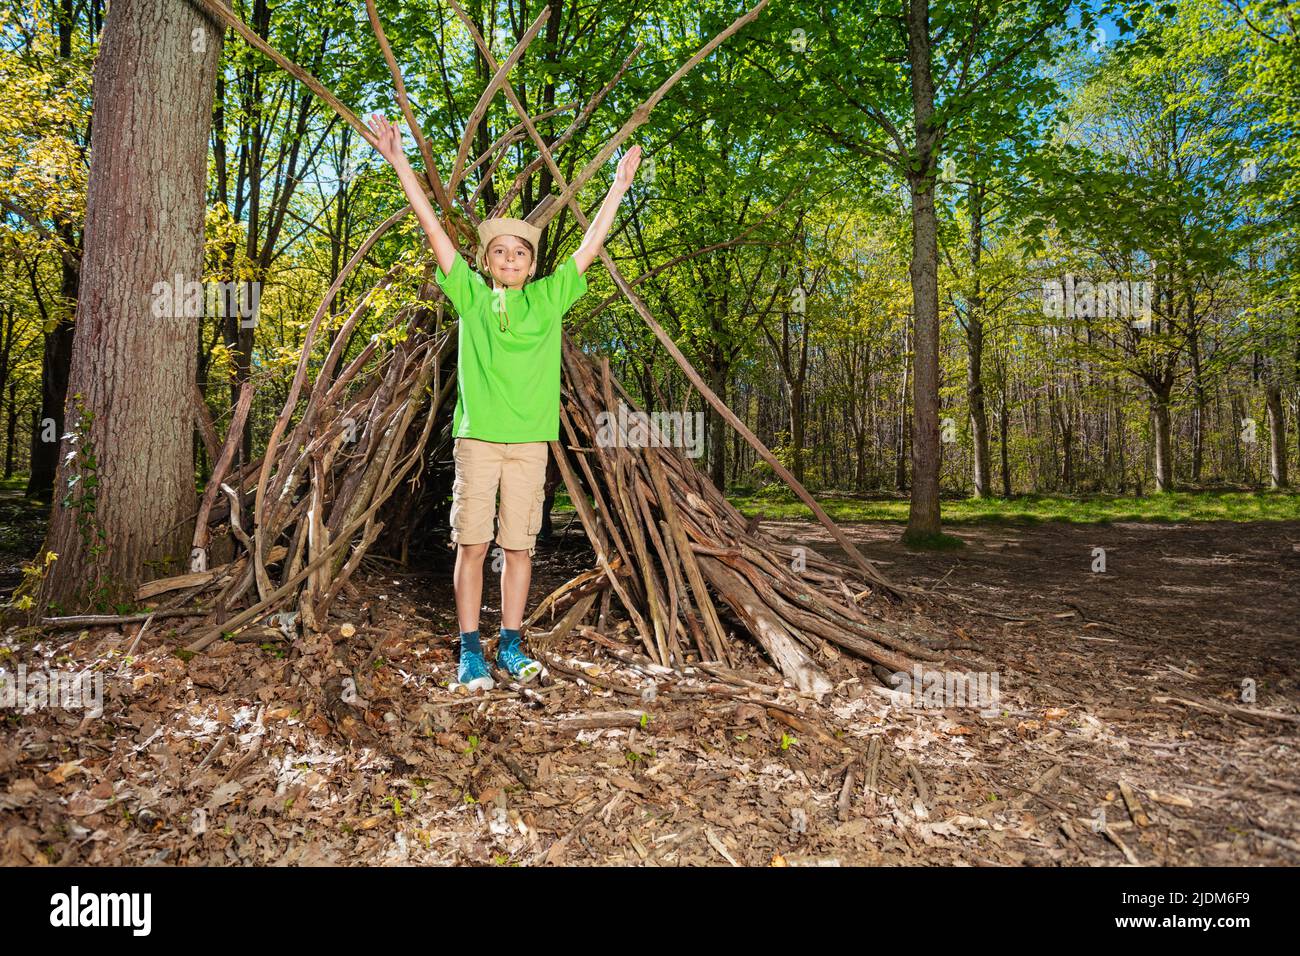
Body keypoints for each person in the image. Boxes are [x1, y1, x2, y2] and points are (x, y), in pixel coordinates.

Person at [368, 111, 642, 691]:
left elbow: (590, 248)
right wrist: (399, 163)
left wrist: (617, 187)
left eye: (520, 253)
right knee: (474, 543)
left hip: (529, 445)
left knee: (519, 547)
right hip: (478, 441)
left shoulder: (547, 300)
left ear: (532, 264)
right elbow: (436, 233)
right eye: (500, 253)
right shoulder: (469, 296)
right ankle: (470, 649)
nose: (510, 260)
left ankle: (512, 644)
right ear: (487, 262)